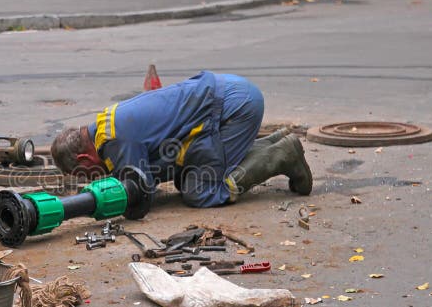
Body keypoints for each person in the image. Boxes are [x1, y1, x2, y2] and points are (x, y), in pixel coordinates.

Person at [51, 71, 312, 208]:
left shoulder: (115, 143)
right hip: (231, 94)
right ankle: (276, 141)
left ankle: (282, 155)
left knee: (199, 192)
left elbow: (139, 191)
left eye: (84, 174)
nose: (90, 179)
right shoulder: (104, 124)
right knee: (184, 174)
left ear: (85, 157)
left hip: (234, 109)